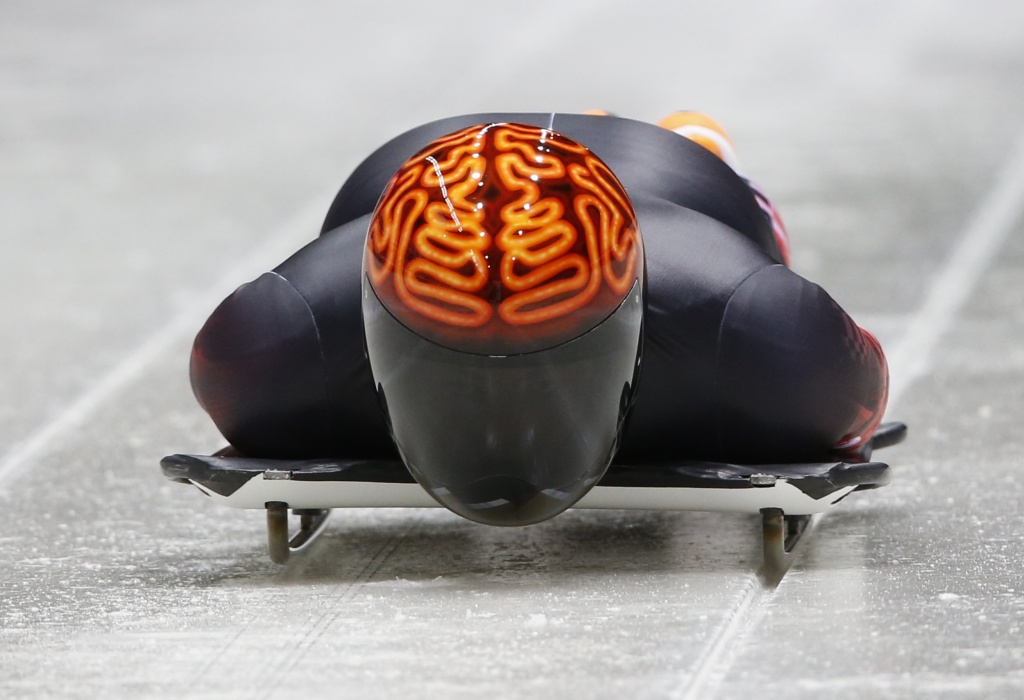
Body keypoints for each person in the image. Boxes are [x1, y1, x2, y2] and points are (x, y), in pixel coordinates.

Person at [188, 112, 889, 526]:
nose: (502, 427)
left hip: (677, 182)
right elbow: (862, 390)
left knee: (727, 197)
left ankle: (701, 145)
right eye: (449, 369)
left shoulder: (764, 327)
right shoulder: (264, 343)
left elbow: (854, 376)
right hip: (403, 179)